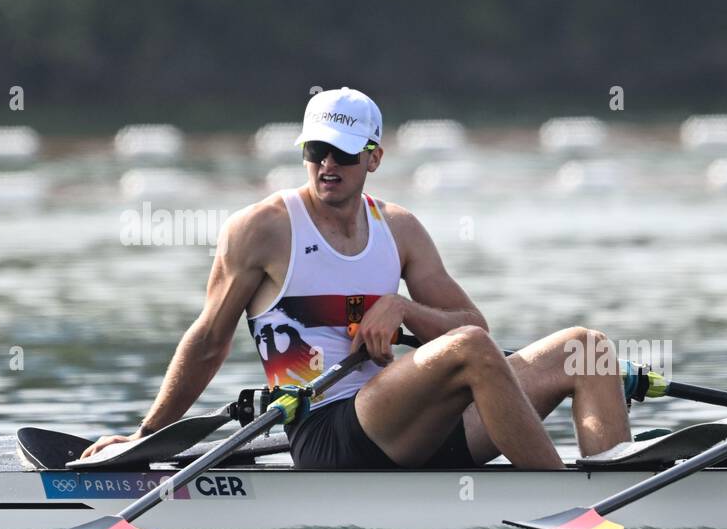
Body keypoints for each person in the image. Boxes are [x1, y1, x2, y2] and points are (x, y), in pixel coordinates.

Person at [82, 87, 630, 470]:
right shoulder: (262, 230)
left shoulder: (400, 228)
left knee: (586, 348)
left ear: (374, 158)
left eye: (343, 154)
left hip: (420, 429)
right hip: (329, 430)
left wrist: (404, 309)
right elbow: (209, 341)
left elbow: (473, 325)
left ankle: (619, 482)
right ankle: (567, 504)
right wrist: (145, 438)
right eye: (315, 151)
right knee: (468, 350)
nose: (327, 166)